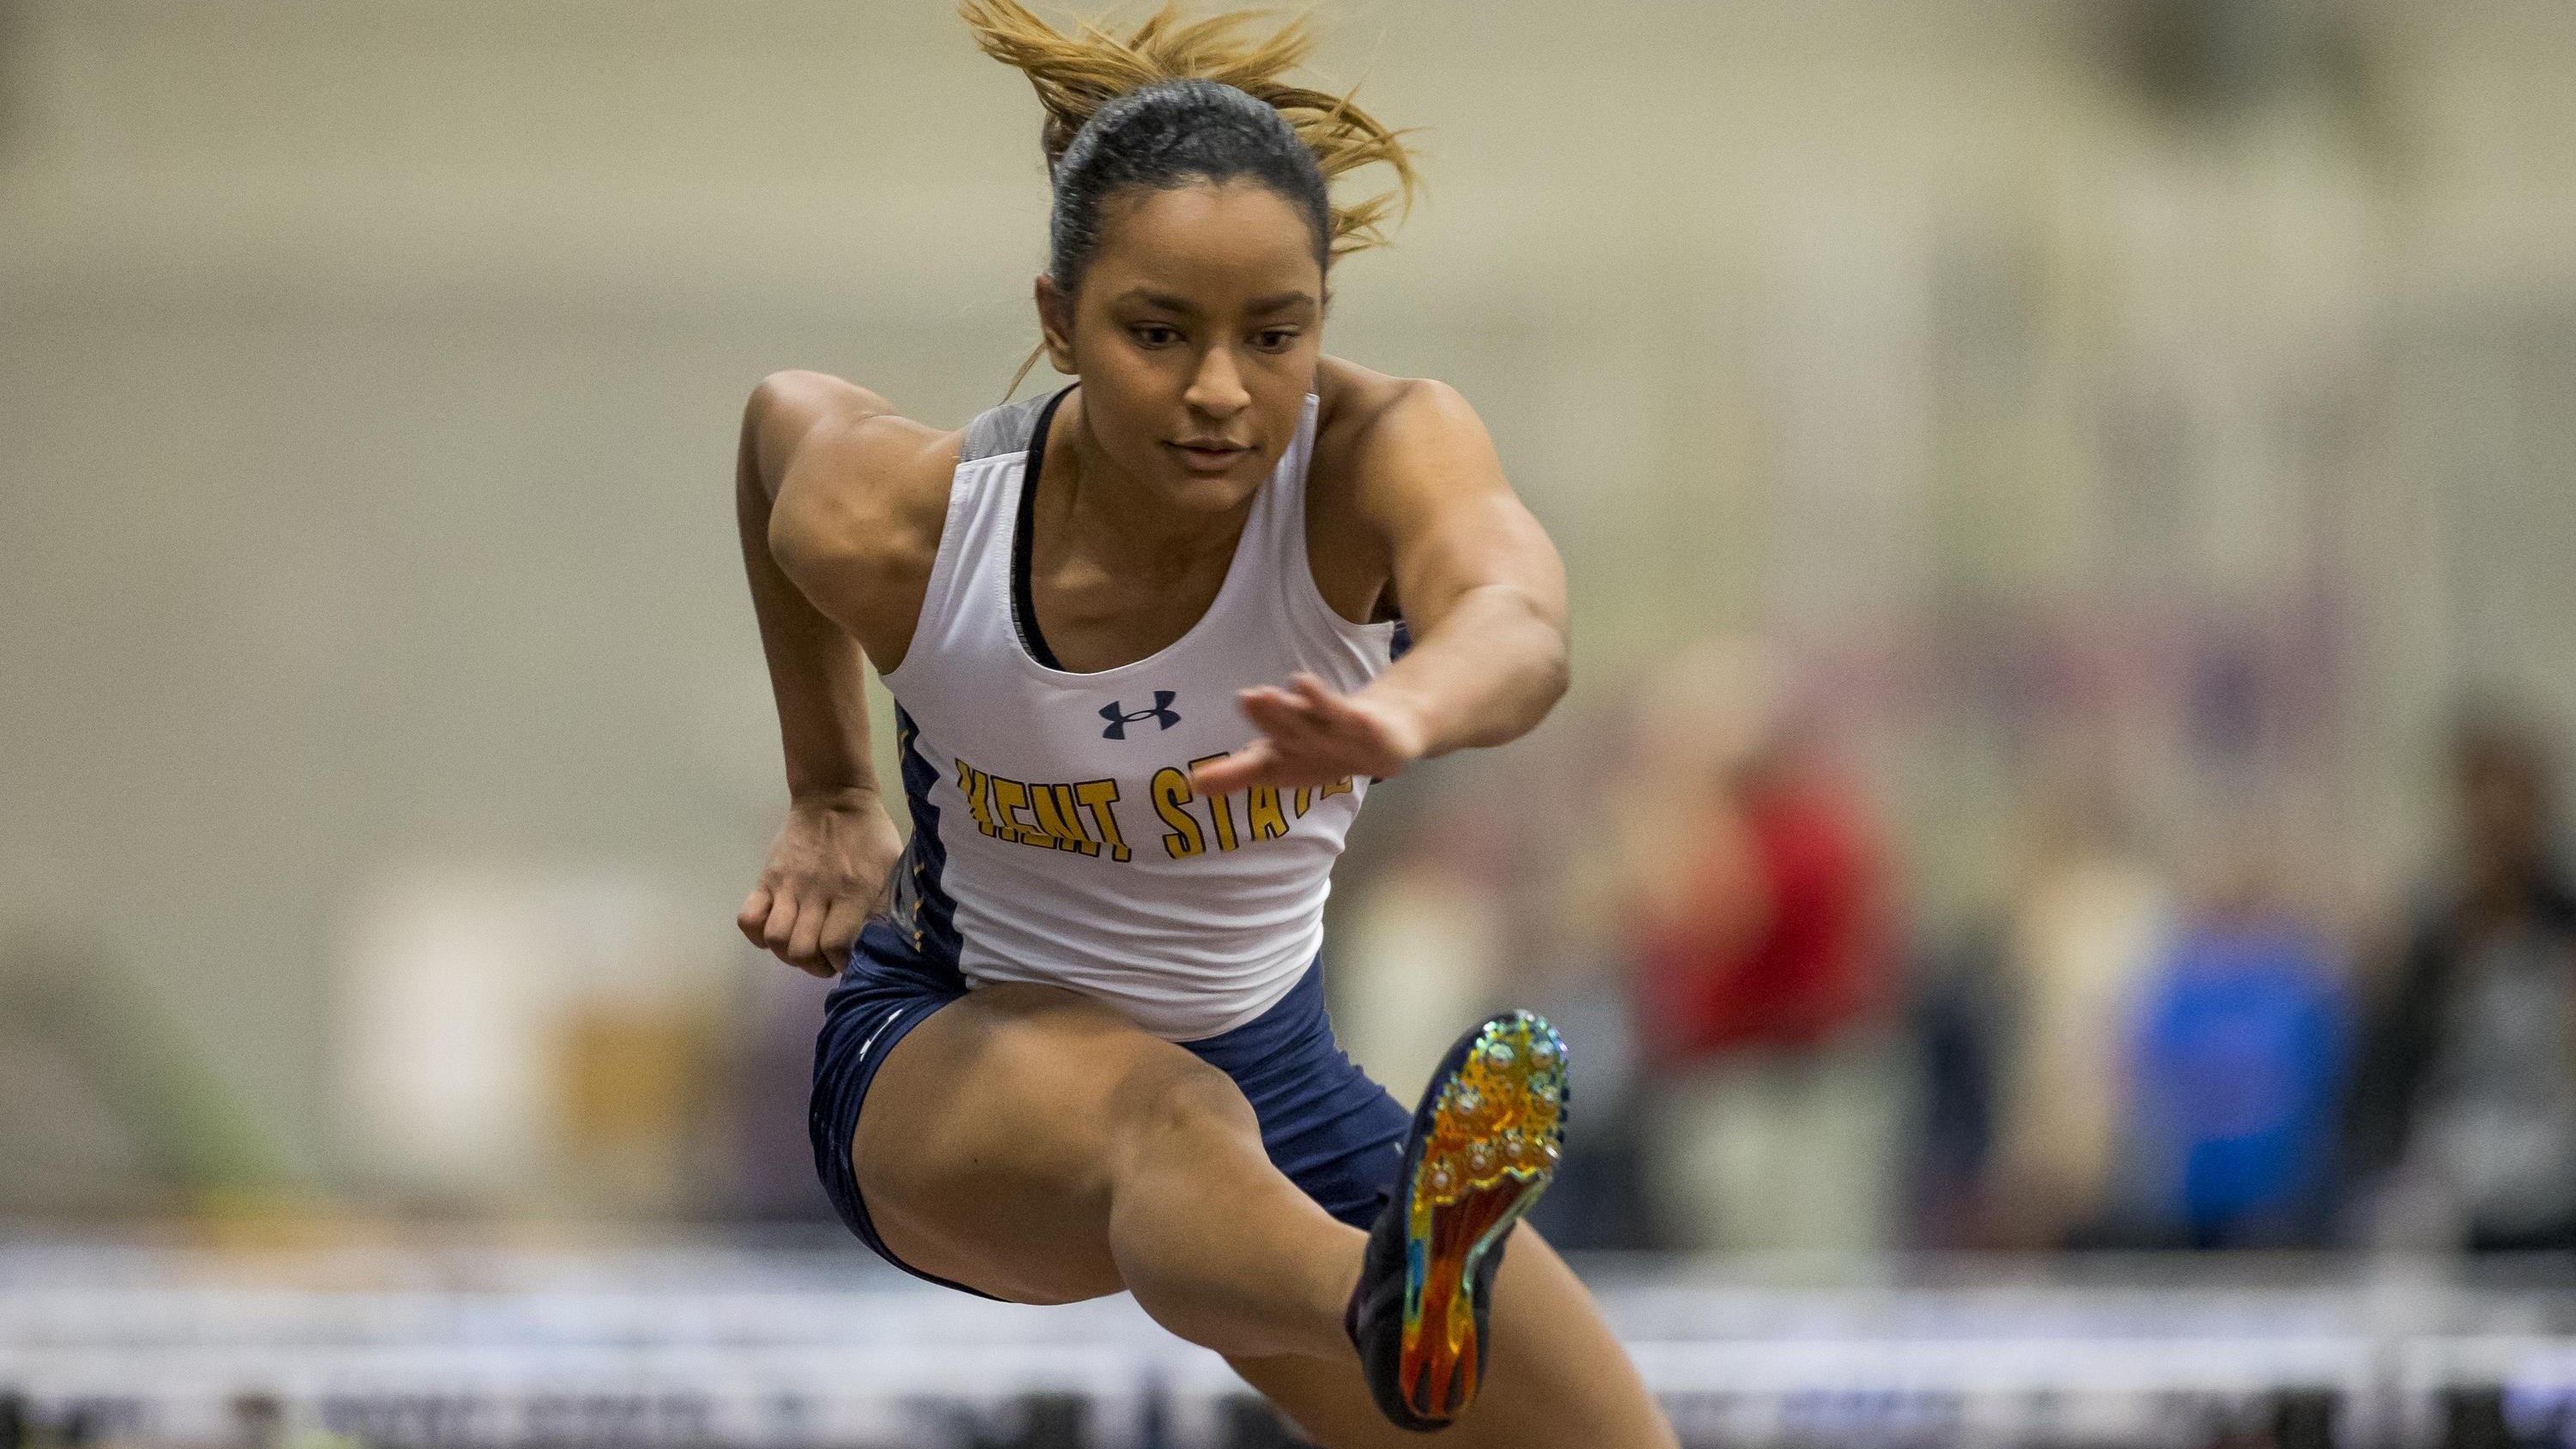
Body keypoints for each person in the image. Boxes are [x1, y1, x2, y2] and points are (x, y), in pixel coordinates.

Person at [730, 3, 1676, 1442]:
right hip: (953, 1070)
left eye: (1273, 334)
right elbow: (776, 428)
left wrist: (1401, 711)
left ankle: (1390, 1288)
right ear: (1058, 320)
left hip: (1276, 1082)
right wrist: (830, 790)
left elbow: (1522, 623)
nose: (1223, 393)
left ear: (1322, 320)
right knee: (1166, 1120)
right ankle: (1383, 1295)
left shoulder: (1376, 452)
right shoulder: (923, 526)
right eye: (1158, 334)